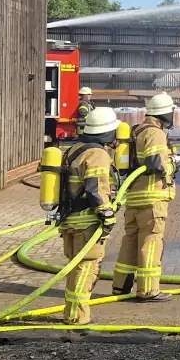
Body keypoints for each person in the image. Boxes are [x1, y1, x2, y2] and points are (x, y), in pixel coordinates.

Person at [111, 92, 180, 302]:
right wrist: (177, 162)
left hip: (135, 198)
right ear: (166, 113)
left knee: (130, 241)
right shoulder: (156, 133)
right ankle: (148, 290)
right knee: (151, 242)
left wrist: (178, 157)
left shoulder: (138, 131)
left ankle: (120, 286)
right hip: (152, 199)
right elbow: (156, 165)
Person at [58, 107, 121, 324]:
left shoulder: (75, 148)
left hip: (71, 218)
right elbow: (96, 189)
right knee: (88, 266)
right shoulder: (97, 154)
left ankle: (71, 314)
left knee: (76, 266)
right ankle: (77, 317)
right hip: (87, 220)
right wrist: (106, 214)